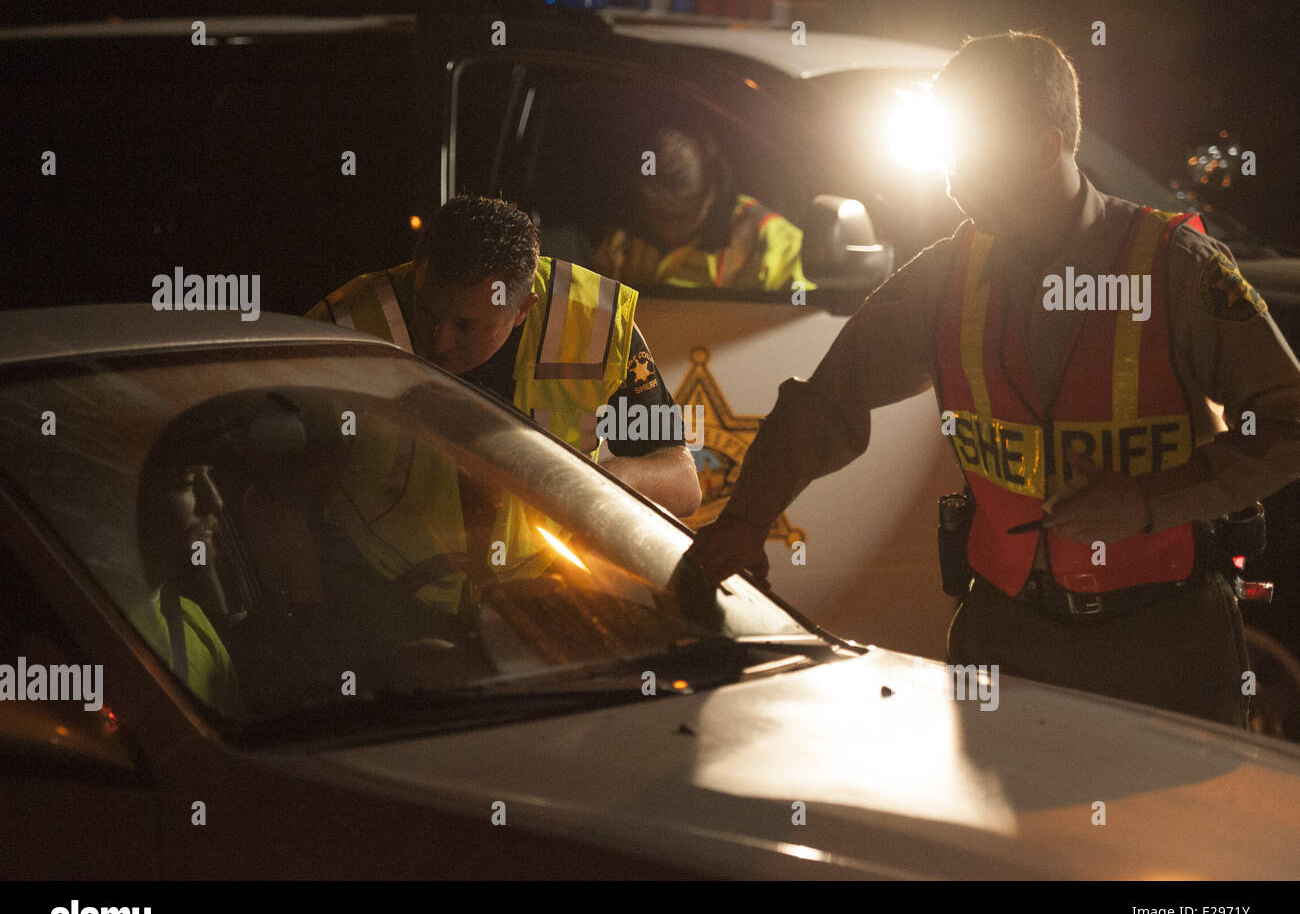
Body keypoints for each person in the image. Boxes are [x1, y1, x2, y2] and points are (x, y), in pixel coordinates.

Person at [685, 31, 1300, 728]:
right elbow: (828, 401)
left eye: (969, 156)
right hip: (1006, 644)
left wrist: (1146, 502)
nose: (950, 180)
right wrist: (744, 519)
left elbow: (1289, 420)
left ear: (1044, 148)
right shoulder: (946, 275)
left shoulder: (1177, 268)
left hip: (1162, 648)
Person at [307, 195, 700, 518]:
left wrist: (609, 477)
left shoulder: (595, 322)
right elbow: (274, 491)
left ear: (523, 309)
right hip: (383, 593)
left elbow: (684, 486)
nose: (440, 342)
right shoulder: (347, 323)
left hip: (544, 590)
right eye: (425, 310)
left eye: (465, 325)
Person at [591, 126, 812, 292]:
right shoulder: (624, 236)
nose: (670, 232)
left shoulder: (772, 238)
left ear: (711, 192)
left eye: (681, 219)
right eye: (658, 218)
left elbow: (807, 320)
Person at [133, 459, 240, 716]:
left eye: (209, 476)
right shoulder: (87, 617)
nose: (215, 501)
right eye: (186, 482)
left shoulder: (193, 619)